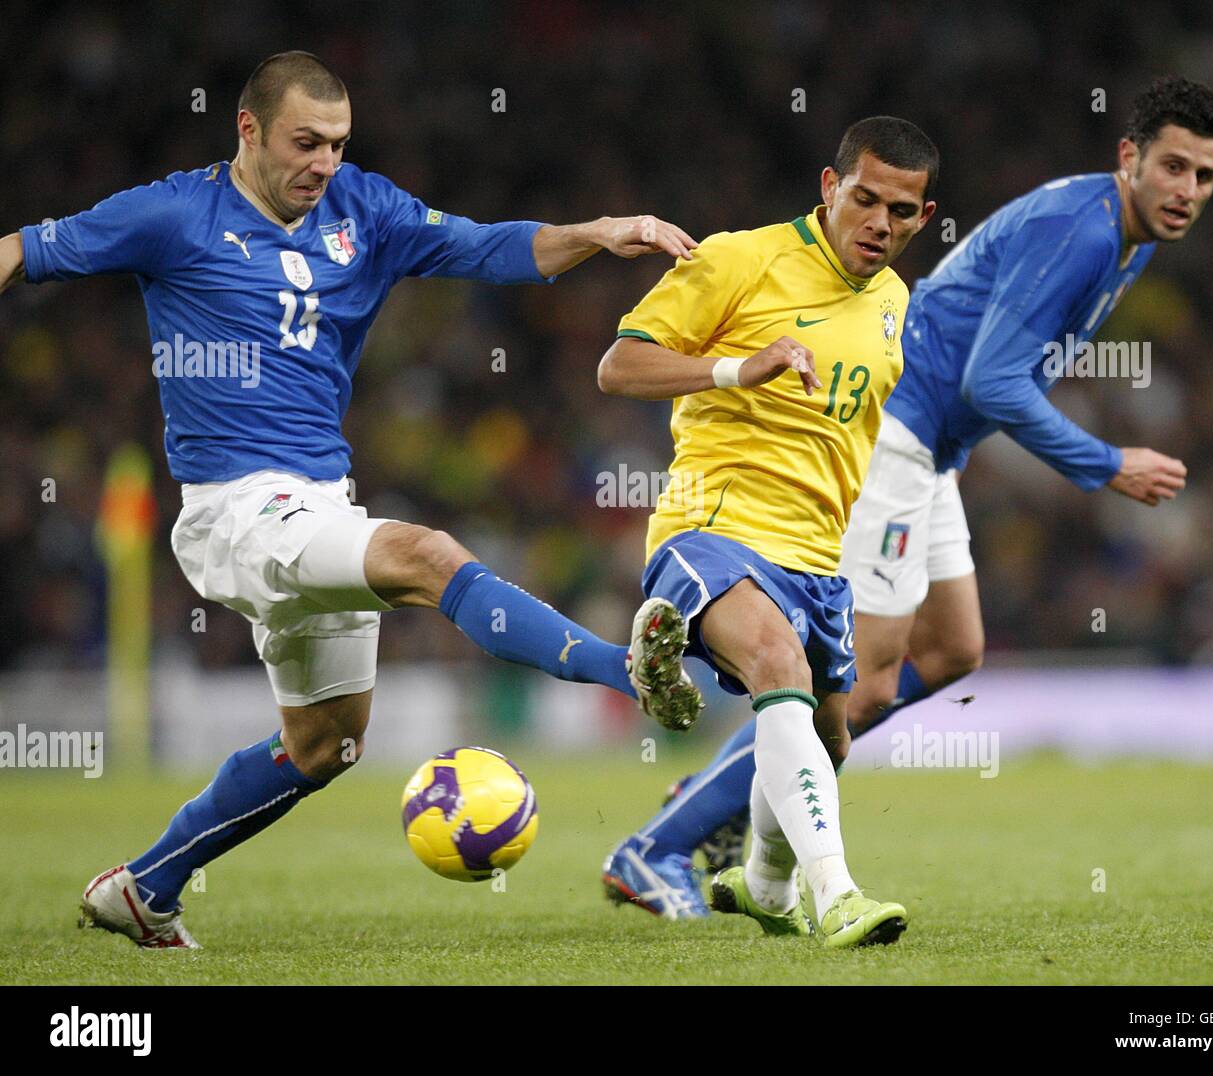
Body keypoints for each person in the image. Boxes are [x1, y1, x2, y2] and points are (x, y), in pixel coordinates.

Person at [0, 51, 703, 948]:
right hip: (233, 509)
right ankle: (626, 670)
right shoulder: (174, 213)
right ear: (248, 131)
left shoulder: (363, 208)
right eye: (305, 143)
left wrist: (600, 231)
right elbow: (24, 250)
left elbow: (488, 246)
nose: (323, 163)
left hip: (319, 501)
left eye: (336, 144)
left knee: (325, 746)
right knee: (426, 553)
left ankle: (144, 888)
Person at [607, 75, 1213, 920]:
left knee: (953, 650)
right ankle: (671, 838)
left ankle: (746, 786)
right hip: (897, 431)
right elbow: (996, 380)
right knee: (862, 684)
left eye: (1205, 177)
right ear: (1130, 157)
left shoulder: (1126, 231)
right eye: (1173, 168)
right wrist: (1105, 463)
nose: (1187, 192)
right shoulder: (1082, 232)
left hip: (931, 444)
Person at [598, 117, 939, 947]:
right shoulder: (736, 260)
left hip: (818, 558)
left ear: (923, 219)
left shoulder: (895, 303)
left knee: (829, 737)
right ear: (829, 187)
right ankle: (840, 896)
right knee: (777, 670)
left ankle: (761, 883)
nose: (879, 225)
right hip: (711, 525)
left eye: (900, 211)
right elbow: (619, 364)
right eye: (864, 200)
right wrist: (733, 368)